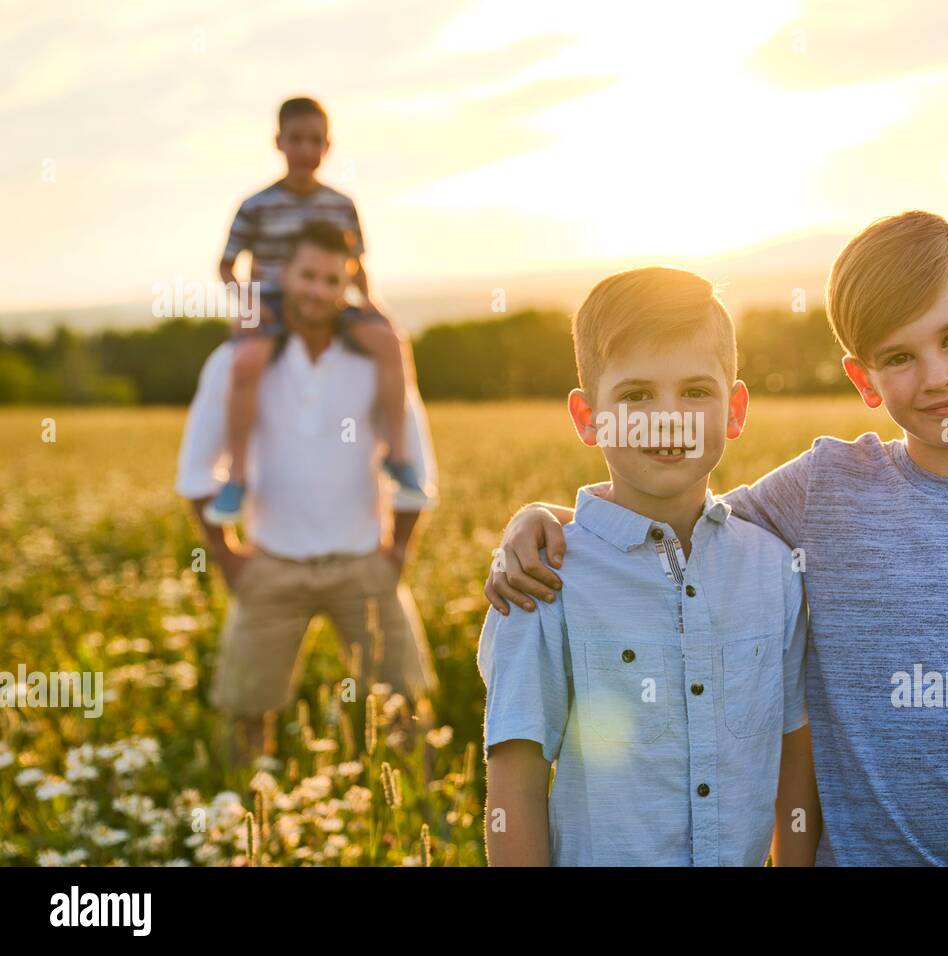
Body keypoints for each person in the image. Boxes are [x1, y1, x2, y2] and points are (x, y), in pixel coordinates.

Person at [484, 211, 948, 865]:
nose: (938, 375)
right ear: (864, 379)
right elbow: (670, 522)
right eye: (898, 356)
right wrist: (547, 520)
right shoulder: (824, 488)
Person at [479, 267, 819, 866]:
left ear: (735, 408)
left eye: (695, 392)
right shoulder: (545, 579)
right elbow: (517, 779)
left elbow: (794, 751)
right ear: (588, 418)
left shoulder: (774, 570)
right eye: (636, 395)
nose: (669, 418)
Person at [177, 220, 438, 766]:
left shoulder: (376, 359)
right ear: (281, 276)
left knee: (406, 707)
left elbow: (414, 457)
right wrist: (228, 560)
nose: (316, 290)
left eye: (329, 279)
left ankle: (420, 817)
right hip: (270, 566)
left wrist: (398, 554)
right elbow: (196, 473)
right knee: (245, 713)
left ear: (346, 283)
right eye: (306, 276)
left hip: (365, 563)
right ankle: (245, 822)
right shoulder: (235, 363)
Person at [207, 95, 426, 524]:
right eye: (297, 139)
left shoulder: (341, 205)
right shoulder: (255, 205)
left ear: (327, 146)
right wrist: (249, 306)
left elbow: (355, 267)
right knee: (247, 361)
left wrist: (372, 306)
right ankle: (236, 475)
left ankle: (397, 457)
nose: (306, 150)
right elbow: (226, 265)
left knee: (389, 342)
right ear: (279, 142)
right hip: (271, 304)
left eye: (315, 141)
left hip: (330, 301)